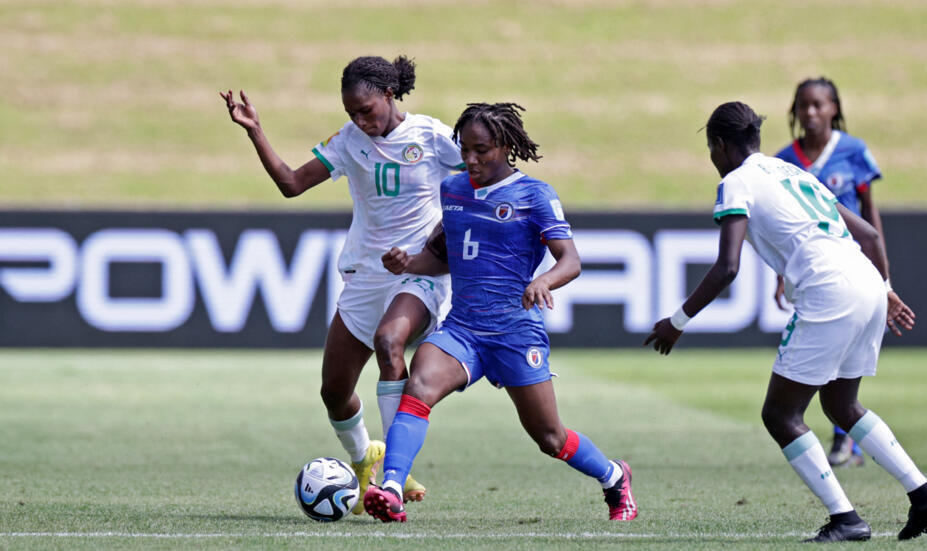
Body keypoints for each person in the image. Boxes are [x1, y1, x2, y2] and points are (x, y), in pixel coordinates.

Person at [644, 102, 927, 542]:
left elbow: (727, 267)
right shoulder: (793, 173)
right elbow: (867, 234)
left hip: (829, 291)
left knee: (780, 414)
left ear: (720, 145)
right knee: (842, 405)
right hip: (866, 282)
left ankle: (846, 519)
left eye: (711, 150)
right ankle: (924, 495)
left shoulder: (736, 183)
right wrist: (884, 288)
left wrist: (677, 320)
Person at [361, 102, 637, 523]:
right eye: (465, 149)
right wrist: (409, 263)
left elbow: (571, 260)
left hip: (514, 332)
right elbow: (444, 255)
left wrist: (544, 280)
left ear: (505, 146)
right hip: (464, 329)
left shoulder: (534, 194)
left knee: (549, 437)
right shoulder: (453, 189)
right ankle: (392, 487)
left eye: (482, 150)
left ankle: (614, 476)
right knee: (418, 386)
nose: (471, 159)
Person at [221, 55, 463, 513]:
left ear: (389, 95)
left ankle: (395, 472)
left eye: (366, 110)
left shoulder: (432, 136)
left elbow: (478, 176)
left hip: (418, 271)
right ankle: (364, 460)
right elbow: (292, 184)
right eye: (351, 112)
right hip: (366, 275)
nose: (359, 120)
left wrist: (438, 243)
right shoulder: (349, 141)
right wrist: (255, 131)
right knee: (333, 390)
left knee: (390, 342)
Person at [775, 76, 888, 468]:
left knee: (838, 359)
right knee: (822, 355)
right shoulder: (783, 160)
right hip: (811, 273)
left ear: (834, 108)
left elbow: (869, 214)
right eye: (803, 105)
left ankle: (843, 436)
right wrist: (779, 277)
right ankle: (844, 436)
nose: (810, 112)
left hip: (852, 268)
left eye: (818, 104)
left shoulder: (853, 151)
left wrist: (883, 276)